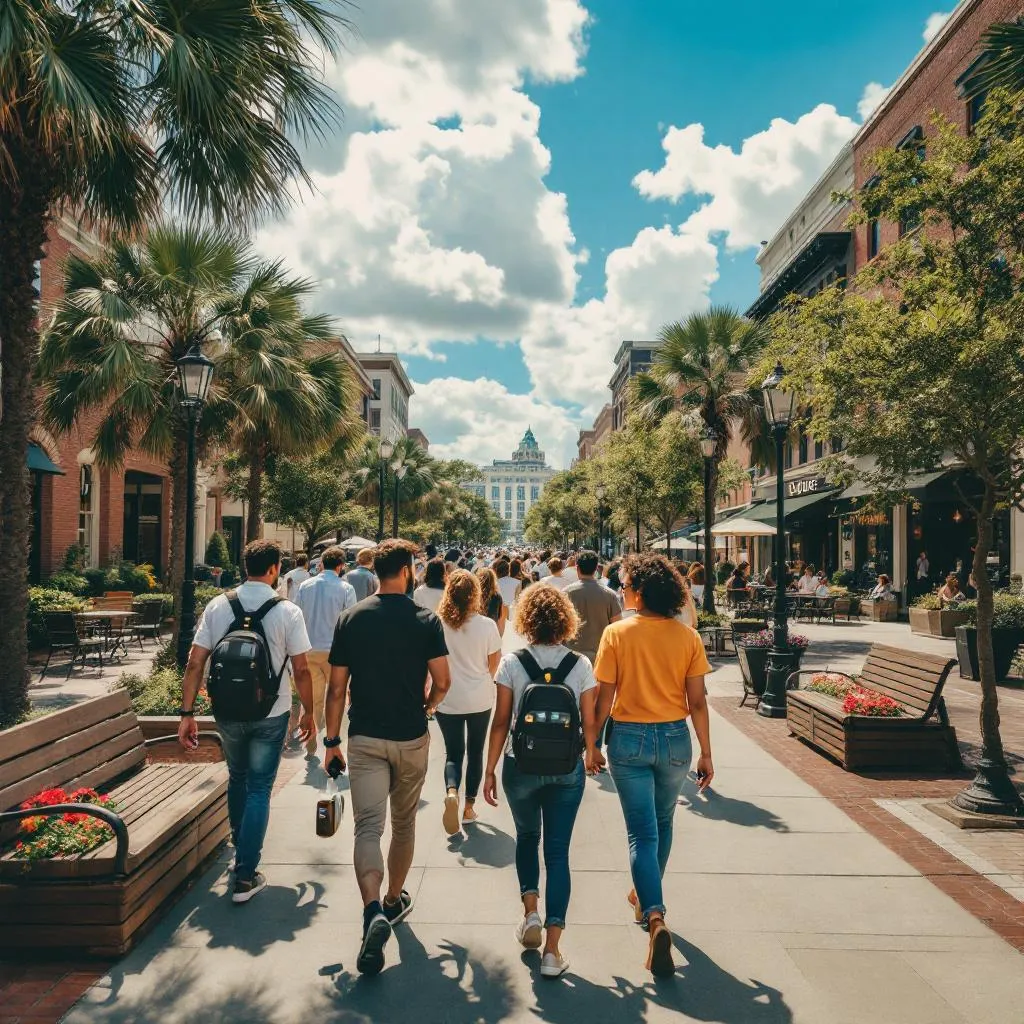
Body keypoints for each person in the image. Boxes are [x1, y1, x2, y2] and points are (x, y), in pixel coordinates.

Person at [323, 540, 452, 976]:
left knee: (367, 827)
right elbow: (443, 680)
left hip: (365, 736)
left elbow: (337, 688)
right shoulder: (425, 620)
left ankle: (372, 908)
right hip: (411, 735)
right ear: (408, 570)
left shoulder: (352, 617)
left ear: (377, 571)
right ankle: (395, 898)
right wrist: (428, 707)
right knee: (404, 824)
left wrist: (331, 741)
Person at [591, 553, 714, 978]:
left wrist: (591, 743)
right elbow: (697, 701)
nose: (622, 591)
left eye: (625, 585)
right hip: (675, 738)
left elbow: (604, 699)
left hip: (629, 738)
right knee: (662, 826)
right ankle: (645, 898)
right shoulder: (687, 637)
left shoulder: (617, 634)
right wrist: (707, 752)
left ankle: (655, 916)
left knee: (641, 833)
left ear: (640, 592)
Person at [178, 539, 314, 904]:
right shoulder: (288, 611)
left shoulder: (218, 605)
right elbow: (301, 669)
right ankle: (246, 873)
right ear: (274, 570)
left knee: (238, 778)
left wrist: (187, 713)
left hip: (227, 711)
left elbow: (195, 662)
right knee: (259, 788)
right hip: (272, 711)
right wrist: (310, 711)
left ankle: (241, 846)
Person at [483, 584, 599, 979]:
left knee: (527, 838)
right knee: (558, 854)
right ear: (566, 620)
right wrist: (592, 751)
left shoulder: (513, 664)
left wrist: (489, 769)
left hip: (521, 766)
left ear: (528, 620)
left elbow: (501, 722)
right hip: (567, 769)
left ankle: (530, 912)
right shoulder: (580, 666)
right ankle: (552, 950)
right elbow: (589, 721)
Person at [435, 569, 502, 836]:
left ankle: (452, 791)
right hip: (479, 698)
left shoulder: (437, 623)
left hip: (447, 697)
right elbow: (493, 665)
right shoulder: (486, 625)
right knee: (475, 752)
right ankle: (468, 807)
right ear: (475, 594)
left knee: (453, 753)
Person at [293, 545, 356, 756]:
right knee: (336, 697)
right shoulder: (346, 588)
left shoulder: (305, 586)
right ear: (341, 566)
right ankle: (332, 741)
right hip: (335, 652)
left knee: (312, 701)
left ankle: (310, 746)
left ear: (321, 564)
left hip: (308, 649)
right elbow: (350, 622)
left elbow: (297, 616)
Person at [564, 549, 622, 664]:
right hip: (601, 656)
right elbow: (617, 627)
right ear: (596, 569)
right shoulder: (610, 595)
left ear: (577, 568)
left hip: (571, 656)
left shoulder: (565, 593)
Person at [476, 565, 508, 636]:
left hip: (476, 631)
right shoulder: (497, 597)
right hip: (491, 632)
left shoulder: (474, 595)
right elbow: (499, 618)